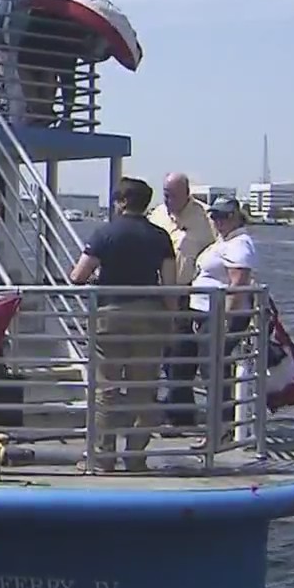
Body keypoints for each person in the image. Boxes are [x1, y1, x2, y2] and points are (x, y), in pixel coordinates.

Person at [69, 177, 177, 470]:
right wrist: (172, 322)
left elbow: (78, 276)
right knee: (144, 390)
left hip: (110, 314)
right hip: (149, 316)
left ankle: (103, 457)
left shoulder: (105, 232)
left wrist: (96, 279)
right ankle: (135, 457)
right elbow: (170, 285)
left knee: (107, 387)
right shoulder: (160, 236)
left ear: (122, 202)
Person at [166, 195, 258, 427]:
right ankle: (181, 418)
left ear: (236, 216)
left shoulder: (240, 244)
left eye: (224, 216)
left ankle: (222, 425)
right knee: (180, 361)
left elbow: (238, 285)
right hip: (198, 310)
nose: (218, 220)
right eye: (214, 215)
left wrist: (226, 321)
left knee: (213, 371)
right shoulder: (222, 241)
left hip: (217, 314)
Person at [0, 0, 92, 126]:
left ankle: (43, 110)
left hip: (50, 28)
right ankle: (46, 111)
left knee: (32, 64)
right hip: (62, 32)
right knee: (52, 71)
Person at [148, 173, 216, 290]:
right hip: (160, 288)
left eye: (174, 196)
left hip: (192, 289)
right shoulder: (156, 215)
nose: (169, 200)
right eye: (166, 195)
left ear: (187, 193)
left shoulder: (207, 216)